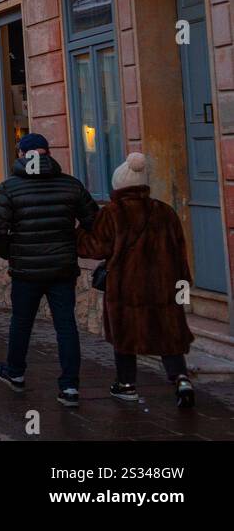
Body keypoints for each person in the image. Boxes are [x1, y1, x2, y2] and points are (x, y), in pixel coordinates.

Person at [0, 133, 98, 408]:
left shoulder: (10, 188)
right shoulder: (70, 185)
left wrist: (10, 251)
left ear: (23, 155)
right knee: (66, 326)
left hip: (26, 270)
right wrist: (71, 241)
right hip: (62, 268)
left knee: (22, 322)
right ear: (47, 153)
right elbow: (94, 220)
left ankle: (16, 372)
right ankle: (69, 386)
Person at [77, 153, 196, 408]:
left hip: (127, 287)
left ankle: (126, 384)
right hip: (165, 286)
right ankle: (181, 379)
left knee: (125, 335)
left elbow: (94, 248)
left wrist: (78, 234)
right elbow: (179, 250)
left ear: (118, 183)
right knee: (169, 334)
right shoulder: (165, 211)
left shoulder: (112, 213)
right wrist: (183, 285)